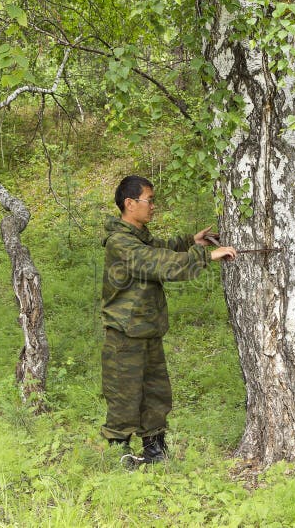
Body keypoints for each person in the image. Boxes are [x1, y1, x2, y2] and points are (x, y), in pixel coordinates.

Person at [100, 175, 236, 463]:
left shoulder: (139, 237)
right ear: (130, 203)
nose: (153, 206)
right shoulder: (120, 243)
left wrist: (190, 242)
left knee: (156, 393)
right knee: (124, 396)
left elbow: (161, 249)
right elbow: (157, 262)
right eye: (149, 200)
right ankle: (118, 455)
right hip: (125, 333)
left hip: (147, 329)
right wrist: (205, 255)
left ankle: (154, 450)